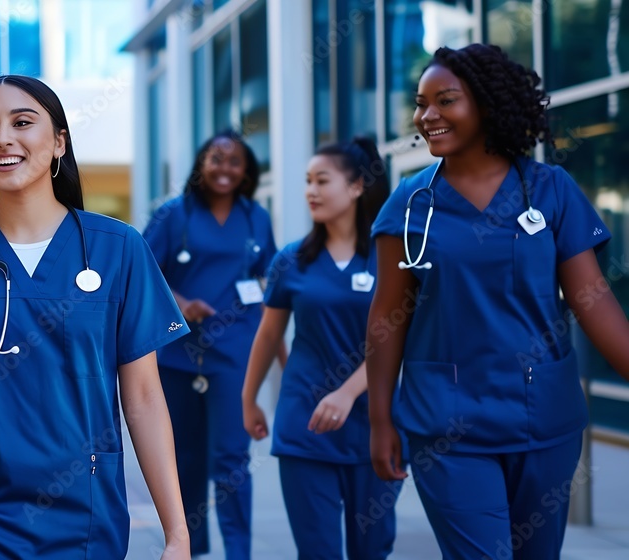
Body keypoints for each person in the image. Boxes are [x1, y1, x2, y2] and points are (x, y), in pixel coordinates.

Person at [0, 75, 192, 560]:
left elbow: (145, 397)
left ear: (58, 143)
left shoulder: (119, 249)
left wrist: (177, 531)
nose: (3, 137)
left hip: (82, 519)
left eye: (22, 122)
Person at [367, 43, 629, 560]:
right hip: (445, 425)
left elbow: (593, 302)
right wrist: (380, 419)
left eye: (446, 101)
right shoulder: (410, 203)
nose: (427, 116)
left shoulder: (550, 190)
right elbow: (386, 318)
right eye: (422, 103)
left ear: (486, 105)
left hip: (544, 420)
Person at [242, 137, 401, 559]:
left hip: (376, 426)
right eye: (308, 181)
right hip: (305, 425)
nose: (311, 190)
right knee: (318, 551)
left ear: (355, 187)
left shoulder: (392, 259)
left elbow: (398, 340)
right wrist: (249, 398)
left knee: (373, 547)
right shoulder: (290, 260)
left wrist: (348, 392)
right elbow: (269, 334)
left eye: (322, 180)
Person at [142, 130, 279, 559]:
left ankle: (239, 551)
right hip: (178, 355)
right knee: (184, 461)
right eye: (216, 159)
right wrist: (181, 303)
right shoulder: (173, 215)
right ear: (202, 164)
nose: (225, 168)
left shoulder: (256, 217)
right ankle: (191, 548)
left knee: (233, 459)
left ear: (246, 171)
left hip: (235, 355)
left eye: (235, 161)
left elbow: (268, 279)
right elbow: (143, 271)